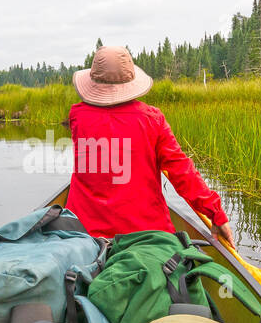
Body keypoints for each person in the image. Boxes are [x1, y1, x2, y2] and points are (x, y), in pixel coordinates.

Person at [65, 44, 235, 247]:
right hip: (146, 233)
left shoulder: (77, 115)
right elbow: (181, 171)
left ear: (94, 82)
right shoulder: (152, 119)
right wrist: (215, 213)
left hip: (84, 231)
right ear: (130, 82)